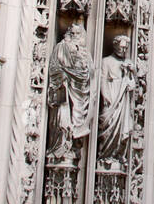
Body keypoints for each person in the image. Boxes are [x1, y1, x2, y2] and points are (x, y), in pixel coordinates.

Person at [47, 20, 94, 163]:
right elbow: (54, 67)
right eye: (71, 32)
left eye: (77, 33)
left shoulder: (85, 53)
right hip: (64, 91)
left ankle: (72, 147)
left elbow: (90, 75)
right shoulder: (61, 47)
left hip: (79, 91)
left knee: (74, 119)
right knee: (62, 120)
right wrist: (63, 77)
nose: (74, 35)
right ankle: (60, 148)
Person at [96, 35, 135, 168]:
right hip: (111, 98)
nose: (123, 50)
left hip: (122, 100)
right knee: (108, 124)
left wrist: (130, 73)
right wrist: (106, 96)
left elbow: (132, 85)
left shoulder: (128, 63)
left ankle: (117, 155)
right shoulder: (106, 61)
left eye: (125, 48)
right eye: (121, 46)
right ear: (115, 45)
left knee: (122, 128)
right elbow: (102, 79)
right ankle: (105, 155)